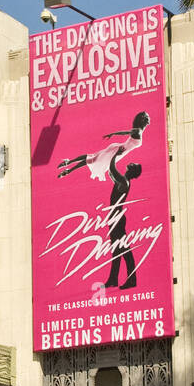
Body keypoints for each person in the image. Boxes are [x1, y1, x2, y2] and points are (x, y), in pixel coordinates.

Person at [57, 111, 150, 182]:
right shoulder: (138, 131)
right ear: (143, 120)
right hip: (118, 150)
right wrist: (113, 134)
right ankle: (69, 166)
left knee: (93, 158)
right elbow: (124, 133)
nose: (148, 119)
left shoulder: (140, 130)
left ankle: (69, 165)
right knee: (93, 159)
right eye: (147, 117)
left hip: (120, 151)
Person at [104, 154, 142, 290]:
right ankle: (113, 279)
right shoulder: (123, 180)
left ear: (131, 170)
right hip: (115, 217)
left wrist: (115, 155)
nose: (131, 163)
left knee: (125, 250)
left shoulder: (124, 181)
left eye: (133, 165)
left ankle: (131, 280)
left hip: (117, 218)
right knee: (116, 250)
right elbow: (110, 173)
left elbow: (112, 169)